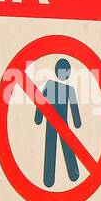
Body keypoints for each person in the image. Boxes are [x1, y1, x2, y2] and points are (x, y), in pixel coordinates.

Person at [35, 58, 81, 187]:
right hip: (61, 123)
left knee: (52, 147)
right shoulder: (68, 89)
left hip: (53, 122)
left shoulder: (51, 85)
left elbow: (40, 102)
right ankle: (72, 174)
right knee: (65, 148)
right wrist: (77, 123)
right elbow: (74, 110)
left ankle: (49, 178)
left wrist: (38, 119)